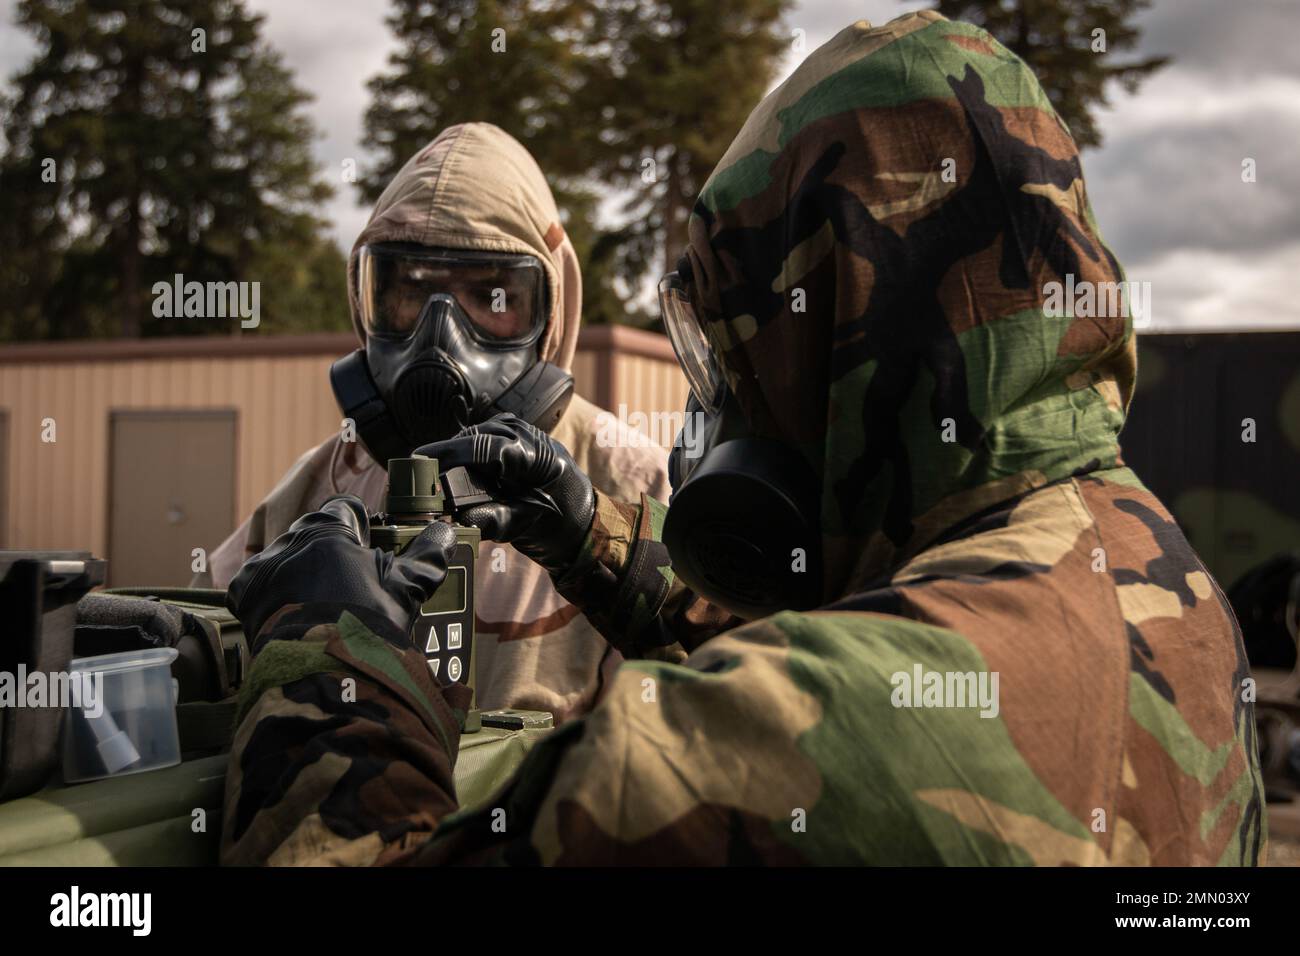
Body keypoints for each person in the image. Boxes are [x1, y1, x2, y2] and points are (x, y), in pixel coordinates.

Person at [220, 11, 1264, 866]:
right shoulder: (1170, 586)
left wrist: (333, 669)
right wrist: (598, 541)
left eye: (740, 342)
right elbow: (895, 636)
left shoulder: (711, 752)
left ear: (834, 331)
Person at [200, 122, 669, 722]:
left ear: (551, 314)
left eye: (491, 294)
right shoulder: (311, 496)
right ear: (365, 302)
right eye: (410, 291)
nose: (440, 336)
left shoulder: (634, 491)